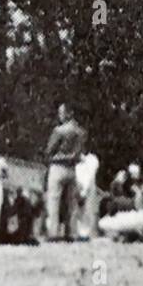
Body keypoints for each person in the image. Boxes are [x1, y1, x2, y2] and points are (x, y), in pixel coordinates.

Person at [44, 102, 87, 241]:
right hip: (72, 169)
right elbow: (79, 153)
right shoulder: (81, 132)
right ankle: (71, 232)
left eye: (61, 113)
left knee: (54, 201)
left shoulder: (59, 130)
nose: (60, 115)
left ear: (68, 114)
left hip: (58, 167)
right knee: (71, 203)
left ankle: (54, 233)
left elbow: (49, 151)